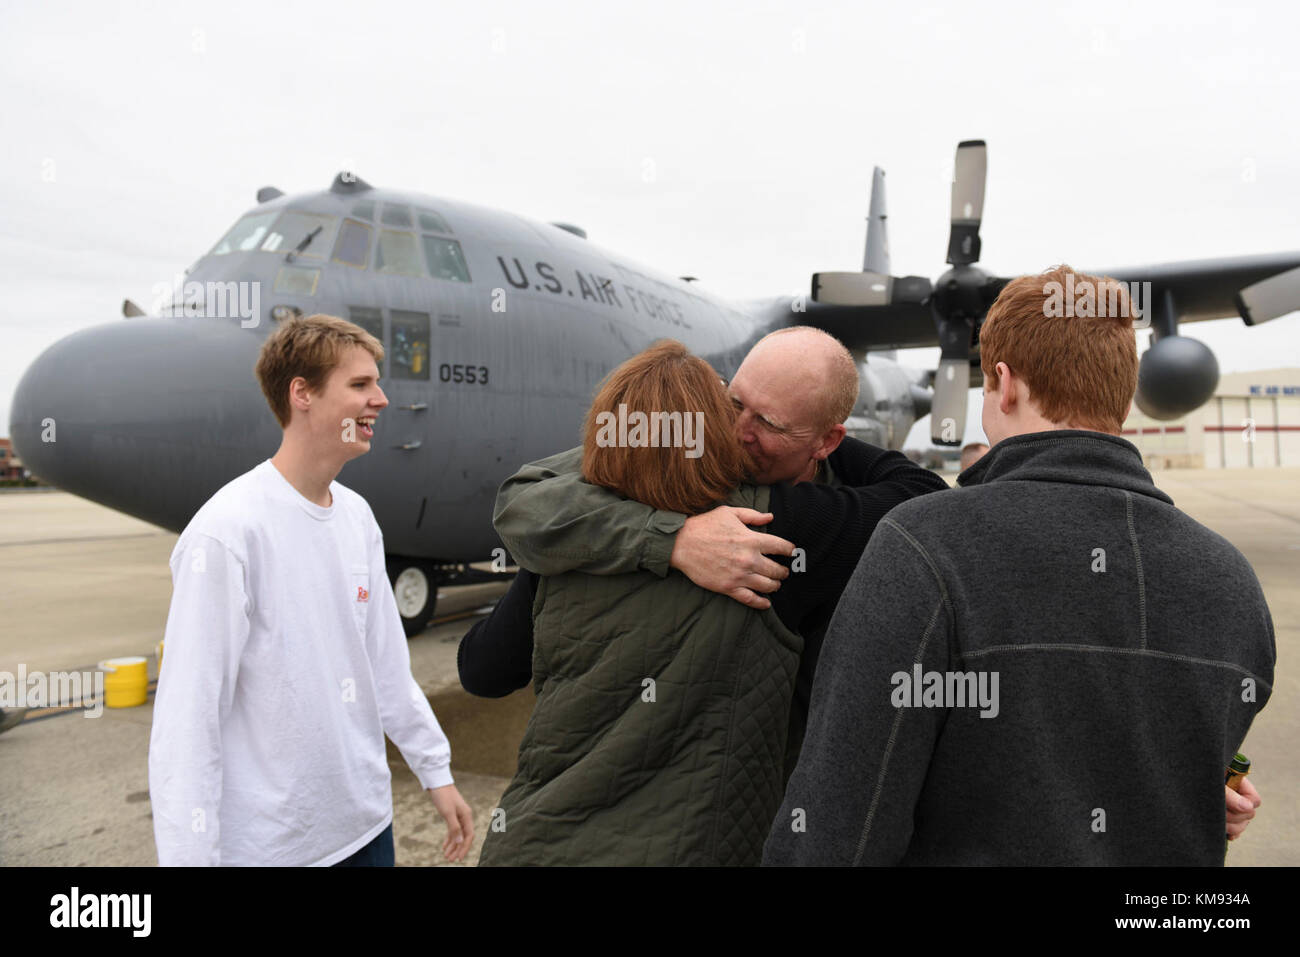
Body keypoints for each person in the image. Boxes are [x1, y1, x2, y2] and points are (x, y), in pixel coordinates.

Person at [763, 266, 1275, 865]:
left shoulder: (924, 545)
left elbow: (838, 827)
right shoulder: (1231, 580)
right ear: (1122, 389)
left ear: (1003, 384)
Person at [475, 340, 940, 866]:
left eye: (768, 421)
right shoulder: (779, 528)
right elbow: (918, 497)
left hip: (531, 845)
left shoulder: (568, 536)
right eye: (732, 404)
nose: (740, 432)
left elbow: (482, 669)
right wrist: (672, 539)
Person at [148, 314, 474, 866]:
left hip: (368, 830)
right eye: (360, 384)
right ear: (302, 393)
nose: (382, 400)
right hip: (276, 850)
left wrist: (435, 772)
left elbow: (387, 670)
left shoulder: (357, 517)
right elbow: (188, 723)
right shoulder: (227, 532)